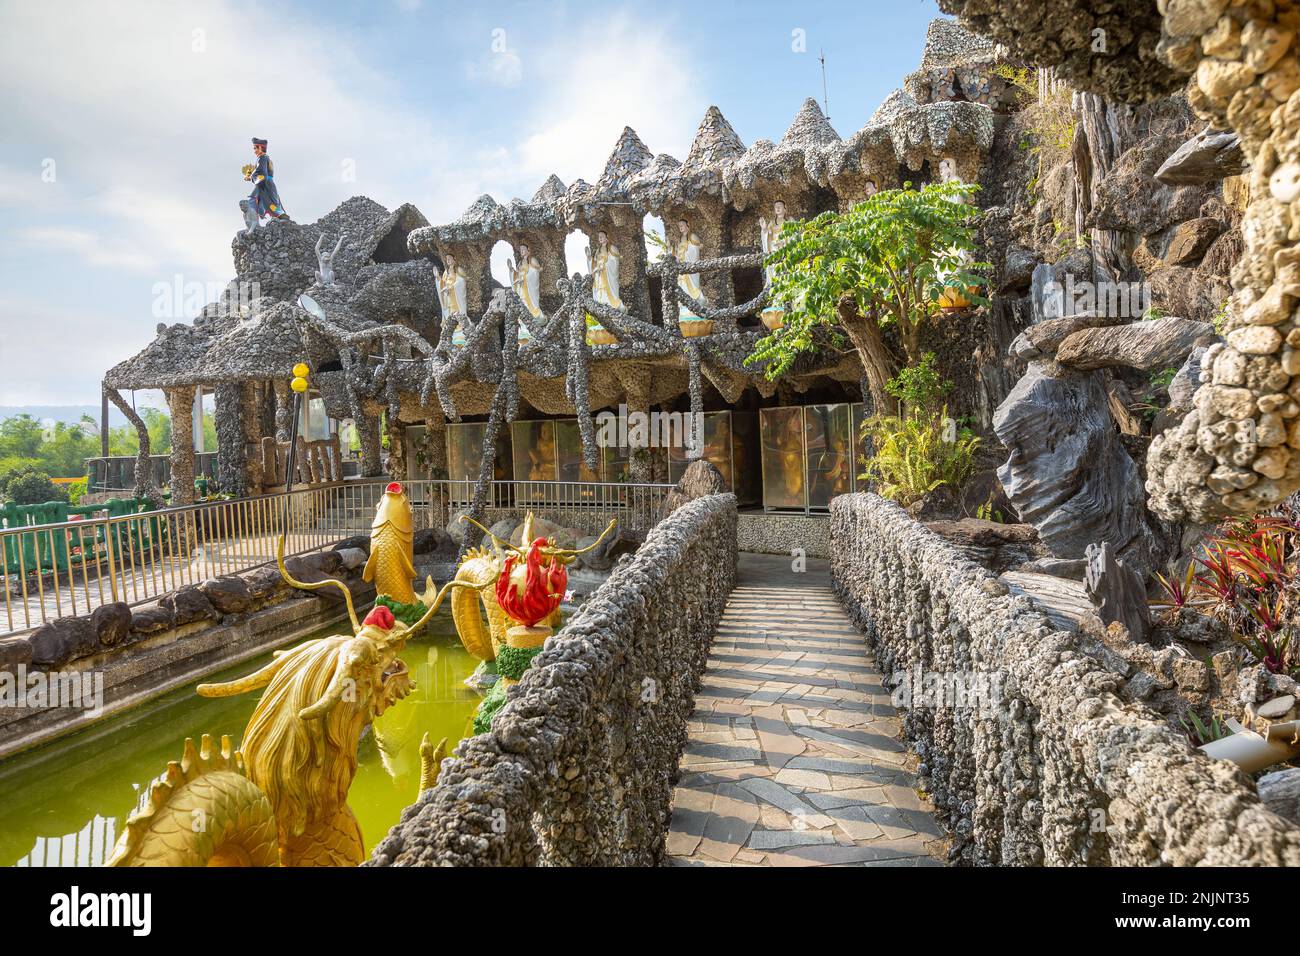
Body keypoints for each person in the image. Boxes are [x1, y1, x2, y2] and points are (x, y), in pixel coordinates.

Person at [245, 137, 289, 222]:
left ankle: (255, 220)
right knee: (269, 201)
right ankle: (278, 214)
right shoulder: (266, 158)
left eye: (255, 148)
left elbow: (261, 173)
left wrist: (251, 177)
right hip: (267, 183)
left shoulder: (262, 158)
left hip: (264, 184)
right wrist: (251, 174)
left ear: (260, 148)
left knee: (260, 201)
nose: (254, 151)